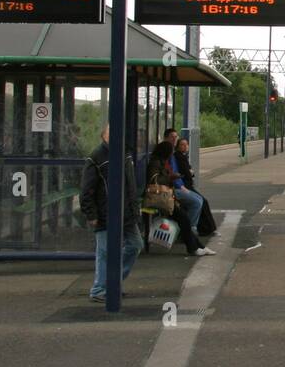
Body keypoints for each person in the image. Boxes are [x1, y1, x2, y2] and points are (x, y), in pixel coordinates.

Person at [80, 124, 144, 303]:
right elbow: (87, 190)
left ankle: (112, 282)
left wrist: (134, 210)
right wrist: (91, 215)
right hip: (105, 213)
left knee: (135, 245)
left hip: (127, 213)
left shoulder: (125, 154)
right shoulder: (96, 158)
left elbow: (130, 186)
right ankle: (99, 289)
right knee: (105, 252)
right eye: (111, 133)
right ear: (104, 135)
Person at [145, 139, 214, 257]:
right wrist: (170, 177)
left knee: (184, 220)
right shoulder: (155, 163)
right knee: (184, 220)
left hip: (165, 197)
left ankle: (198, 247)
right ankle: (195, 248)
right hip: (160, 199)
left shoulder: (159, 161)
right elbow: (154, 180)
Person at [162, 127, 204, 232]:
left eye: (176, 137)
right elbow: (171, 173)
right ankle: (189, 229)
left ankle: (190, 228)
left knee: (200, 200)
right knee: (197, 202)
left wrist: (182, 185)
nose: (175, 139)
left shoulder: (171, 152)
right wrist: (180, 186)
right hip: (171, 189)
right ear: (166, 138)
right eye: (172, 137)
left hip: (177, 186)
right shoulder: (167, 152)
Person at [174, 138, 218, 238]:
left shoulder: (182, 156)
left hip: (185, 184)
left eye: (186, 145)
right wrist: (190, 172)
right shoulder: (179, 157)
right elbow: (188, 173)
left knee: (201, 201)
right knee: (201, 201)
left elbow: (189, 172)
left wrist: (190, 172)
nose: (185, 147)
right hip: (184, 185)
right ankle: (204, 228)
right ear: (178, 146)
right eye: (182, 145)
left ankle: (206, 228)